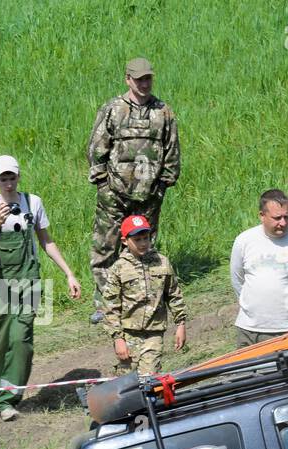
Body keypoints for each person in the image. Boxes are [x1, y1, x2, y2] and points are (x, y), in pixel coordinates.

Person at [0, 155, 82, 422]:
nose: (8, 184)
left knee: (21, 340)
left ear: (18, 178)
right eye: (3, 179)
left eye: (12, 178)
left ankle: (8, 399)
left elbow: (46, 241)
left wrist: (69, 273)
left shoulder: (33, 203)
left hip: (28, 281)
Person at [88, 57, 181, 322]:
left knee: (143, 248)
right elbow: (96, 148)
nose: (144, 83)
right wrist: (103, 184)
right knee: (106, 247)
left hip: (149, 195)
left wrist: (163, 186)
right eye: (138, 79)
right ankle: (105, 304)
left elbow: (172, 150)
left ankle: (143, 299)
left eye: (148, 78)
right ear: (127, 79)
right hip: (114, 193)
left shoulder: (163, 112)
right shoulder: (113, 109)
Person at [230, 189, 288, 349]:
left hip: (286, 331)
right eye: (277, 218)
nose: (283, 223)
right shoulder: (244, 241)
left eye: (286, 217)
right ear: (262, 216)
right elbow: (237, 280)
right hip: (248, 329)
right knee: (246, 374)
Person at [100, 215, 188, 375]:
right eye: (137, 239)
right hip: (128, 334)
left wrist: (180, 325)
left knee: (149, 377)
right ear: (125, 241)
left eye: (145, 238)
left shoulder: (162, 262)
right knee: (127, 381)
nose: (142, 243)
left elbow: (174, 295)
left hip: (154, 333)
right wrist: (118, 339)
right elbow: (110, 307)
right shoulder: (119, 268)